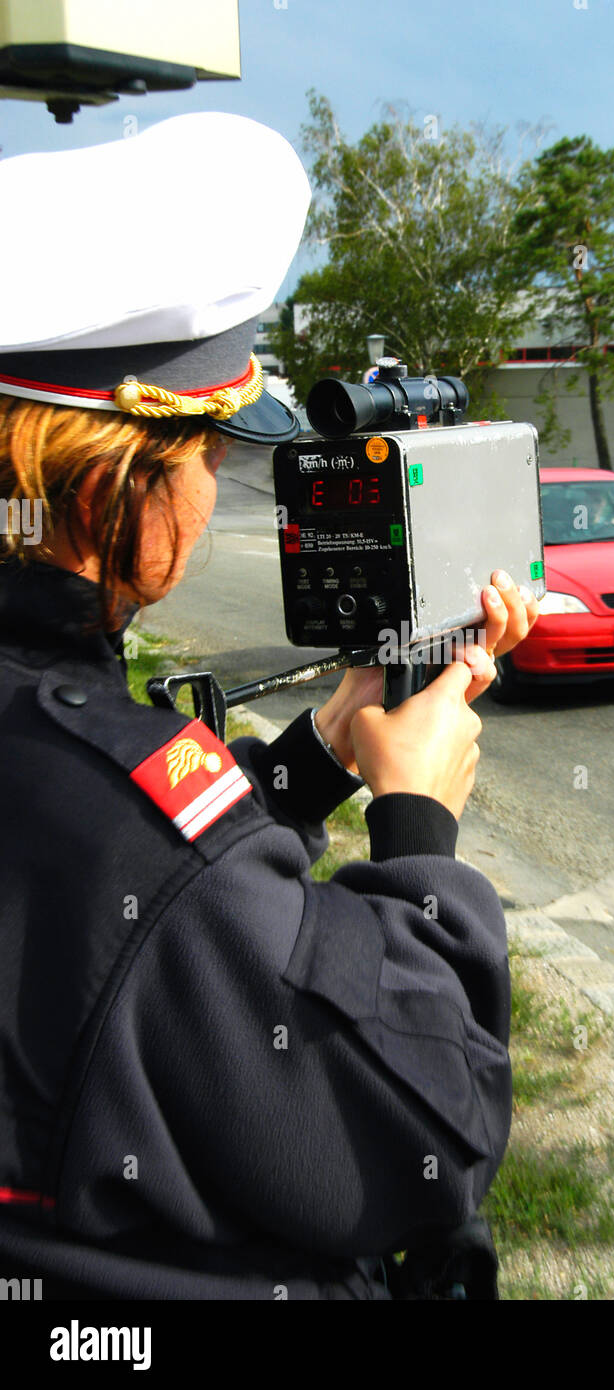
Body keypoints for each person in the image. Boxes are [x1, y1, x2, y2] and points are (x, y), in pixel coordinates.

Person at [0, 113, 539, 1299]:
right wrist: (419, 831)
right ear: (111, 491)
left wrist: (318, 759)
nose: (206, 496)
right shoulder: (125, 832)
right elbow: (418, 1136)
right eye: (200, 455)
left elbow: (132, 917)